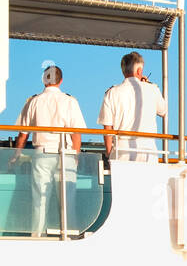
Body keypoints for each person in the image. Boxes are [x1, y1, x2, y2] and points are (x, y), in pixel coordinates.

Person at [12, 65, 86, 235]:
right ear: (61, 81)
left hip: (42, 153)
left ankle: (37, 236)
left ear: (44, 79)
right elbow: (76, 134)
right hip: (65, 153)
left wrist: (15, 155)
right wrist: (76, 156)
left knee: (40, 200)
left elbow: (23, 135)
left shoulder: (34, 101)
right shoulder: (70, 101)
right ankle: (69, 235)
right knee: (68, 201)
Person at [99, 51, 167, 162]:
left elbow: (107, 127)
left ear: (124, 71)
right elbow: (163, 111)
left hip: (122, 149)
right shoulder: (152, 89)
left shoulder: (112, 92)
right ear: (139, 71)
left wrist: (109, 152)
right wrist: (148, 83)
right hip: (148, 148)